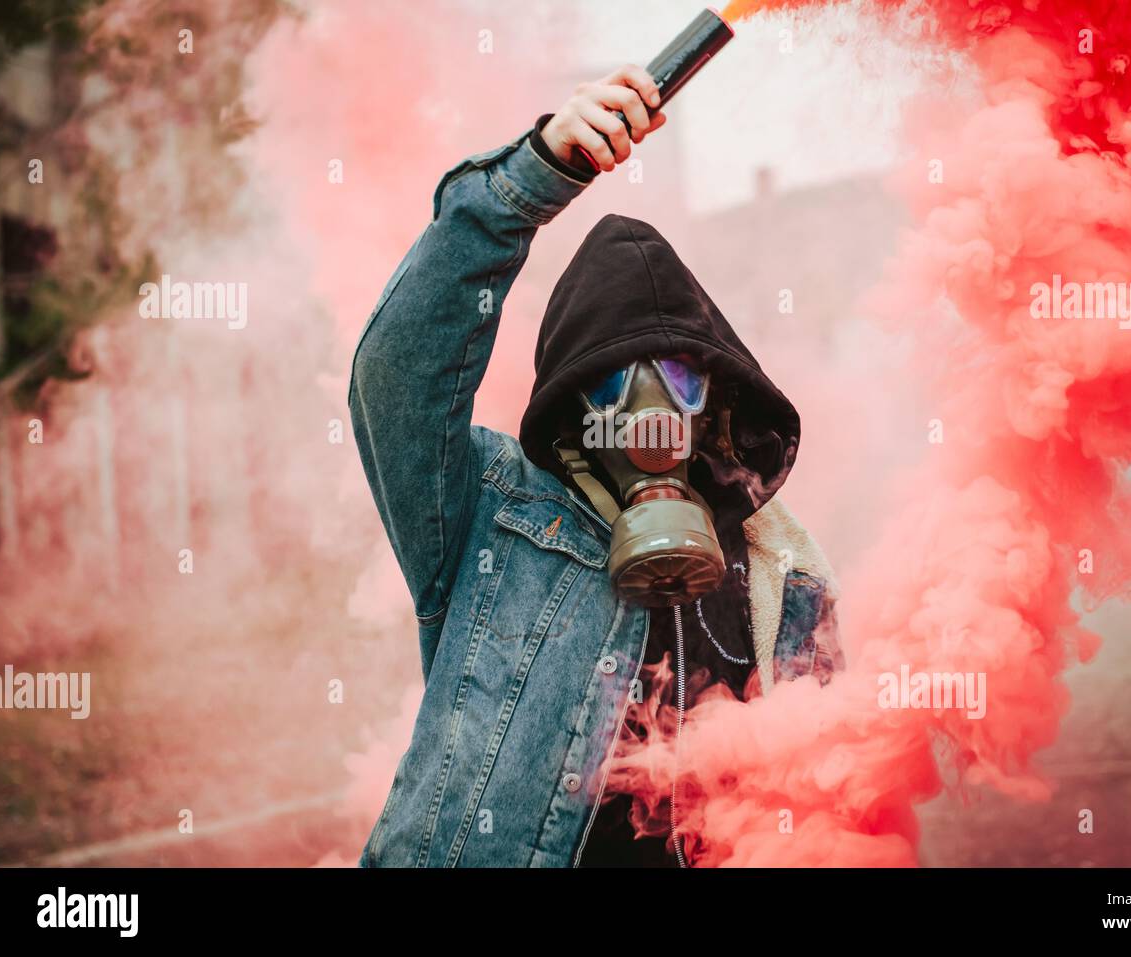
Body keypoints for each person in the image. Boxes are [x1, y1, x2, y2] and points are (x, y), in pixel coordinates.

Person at [350, 65, 842, 868]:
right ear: (576, 408)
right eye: (616, 379)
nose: (650, 409)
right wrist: (537, 171)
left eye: (677, 377)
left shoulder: (783, 582)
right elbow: (396, 377)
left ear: (718, 404)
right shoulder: (491, 524)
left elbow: (825, 812)